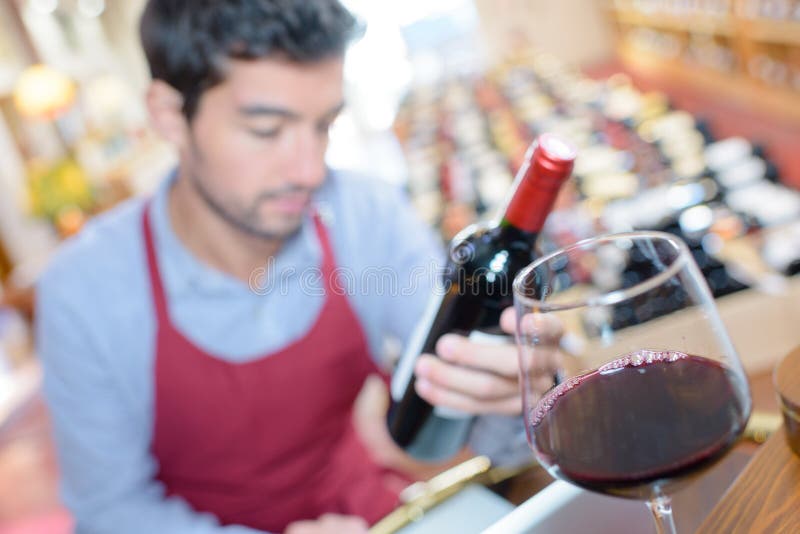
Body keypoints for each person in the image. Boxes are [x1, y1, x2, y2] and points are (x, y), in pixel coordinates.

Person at [36, 1, 555, 532]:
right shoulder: (84, 291)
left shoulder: (364, 214)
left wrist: (517, 391)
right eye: (266, 130)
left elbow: (480, 415)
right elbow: (110, 510)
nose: (309, 171)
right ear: (170, 114)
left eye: (324, 125)